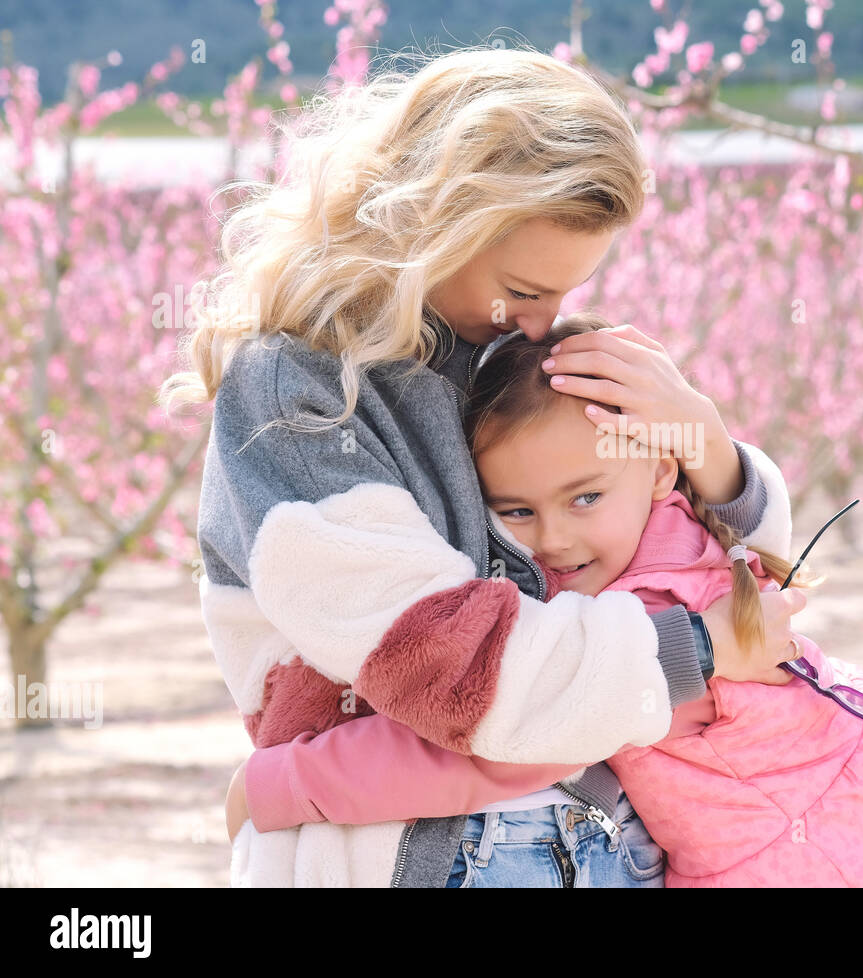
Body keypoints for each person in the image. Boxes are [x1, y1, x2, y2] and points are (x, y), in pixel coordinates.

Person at [160, 46, 806, 888]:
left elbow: (712, 566)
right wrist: (695, 650)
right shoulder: (298, 395)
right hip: (421, 852)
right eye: (526, 290)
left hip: (608, 832)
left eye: (566, 295)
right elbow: (442, 661)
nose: (542, 324)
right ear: (436, 223)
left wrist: (706, 449)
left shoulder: (503, 355)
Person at [233, 315, 863, 887]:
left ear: (661, 471)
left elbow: (502, 750)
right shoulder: (675, 529)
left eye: (585, 497)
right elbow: (748, 521)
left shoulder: (650, 612)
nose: (555, 537)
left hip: (849, 849)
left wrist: (286, 784)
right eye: (518, 511)